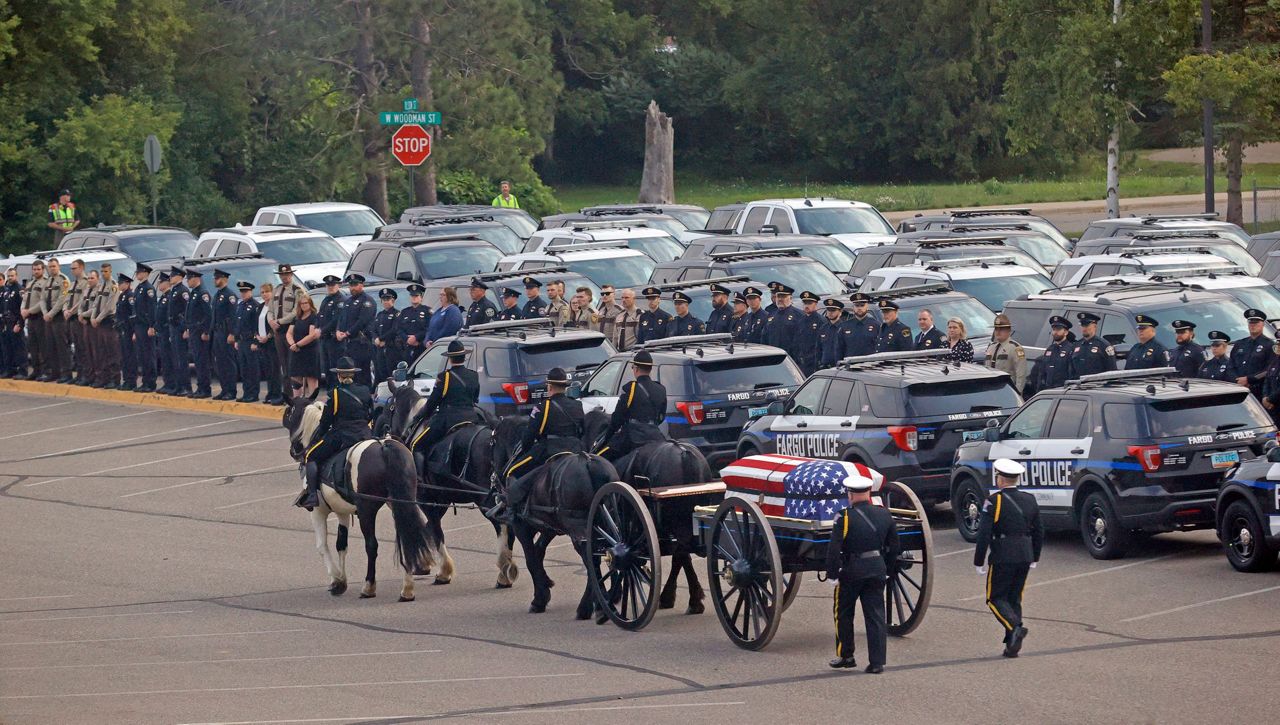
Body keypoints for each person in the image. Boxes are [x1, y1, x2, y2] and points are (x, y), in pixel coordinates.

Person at [825, 471, 900, 673]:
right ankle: (877, 663)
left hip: (852, 571)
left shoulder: (844, 517)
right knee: (875, 616)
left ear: (850, 495)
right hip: (877, 569)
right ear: (869, 493)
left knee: (843, 613)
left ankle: (846, 655)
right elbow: (894, 546)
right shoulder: (884, 514)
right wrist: (887, 570)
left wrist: (832, 574)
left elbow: (834, 548)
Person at [974, 458, 1043, 658]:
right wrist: (1035, 556)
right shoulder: (1029, 499)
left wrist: (979, 560)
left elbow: (984, 533)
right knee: (1014, 598)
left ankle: (1015, 628)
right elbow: (1039, 530)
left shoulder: (994, 501)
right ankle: (1012, 646)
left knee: (994, 598)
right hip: (1025, 553)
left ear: (1001, 480)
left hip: (1003, 554)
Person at [497, 366, 585, 521]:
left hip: (550, 450)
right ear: (565, 387)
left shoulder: (543, 407)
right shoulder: (577, 405)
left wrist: (526, 450)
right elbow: (582, 430)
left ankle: (510, 512)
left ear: (549, 386)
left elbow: (529, 437)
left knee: (512, 471)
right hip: (575, 450)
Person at [296, 357, 375, 511]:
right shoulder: (365, 391)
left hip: (342, 437)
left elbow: (325, 422)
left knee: (310, 456)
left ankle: (312, 495)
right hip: (365, 434)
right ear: (353, 374)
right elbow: (370, 414)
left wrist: (318, 436)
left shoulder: (335, 394)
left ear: (339, 375)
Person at [407, 340, 481, 462]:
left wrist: (418, 416)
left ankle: (419, 475)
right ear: (464, 357)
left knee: (416, 446)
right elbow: (475, 399)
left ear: (450, 359)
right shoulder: (474, 375)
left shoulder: (445, 377)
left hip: (448, 421)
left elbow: (432, 403)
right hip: (471, 418)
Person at [596, 350, 666, 462]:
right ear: (650, 369)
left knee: (599, 458)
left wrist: (607, 438)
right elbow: (661, 417)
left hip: (633, 437)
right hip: (655, 435)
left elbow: (617, 418)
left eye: (632, 367)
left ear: (636, 368)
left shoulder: (631, 389)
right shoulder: (661, 389)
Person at [272, 265, 308, 403]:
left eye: (287, 274)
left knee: (294, 365)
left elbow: (296, 311)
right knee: (284, 366)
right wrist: (271, 321)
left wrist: (280, 321)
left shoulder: (297, 290)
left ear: (291, 275)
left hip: (291, 330)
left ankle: (296, 396)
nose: (284, 276)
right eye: (282, 274)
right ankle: (287, 395)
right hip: (278, 331)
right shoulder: (277, 289)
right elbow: (270, 309)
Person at [336, 273, 376, 387]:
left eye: (355, 285)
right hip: (348, 344)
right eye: (351, 285)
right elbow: (341, 318)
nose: (352, 288)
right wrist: (338, 330)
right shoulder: (348, 302)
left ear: (361, 285)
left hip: (361, 343)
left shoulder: (367, 301)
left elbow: (362, 321)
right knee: (350, 373)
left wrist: (347, 333)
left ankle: (365, 395)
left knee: (361, 374)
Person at [184, 269, 213, 399]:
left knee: (202, 361)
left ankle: (205, 389)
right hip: (194, 331)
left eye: (189, 279)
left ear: (196, 278)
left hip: (200, 332)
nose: (188, 281)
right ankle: (200, 387)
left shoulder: (202, 293)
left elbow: (208, 315)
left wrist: (206, 331)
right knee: (197, 361)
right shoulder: (194, 293)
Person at [1231, 308, 1274, 398]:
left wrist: (1249, 379)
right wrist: (1237, 380)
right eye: (1251, 322)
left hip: (1258, 390)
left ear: (1263, 324)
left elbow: (1269, 370)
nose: (1253, 325)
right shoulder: (1240, 344)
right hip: (1237, 389)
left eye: (1256, 322)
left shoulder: (1269, 345)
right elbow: (1230, 365)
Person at [287, 292, 323, 398]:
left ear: (310, 304)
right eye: (301, 303)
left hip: (310, 351)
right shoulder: (296, 318)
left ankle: (312, 402)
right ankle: (297, 401)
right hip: (296, 350)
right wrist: (292, 344)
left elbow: (311, 335)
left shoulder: (314, 317)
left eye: (306, 303)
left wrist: (298, 345)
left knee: (311, 377)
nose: (303, 305)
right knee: (295, 376)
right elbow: (289, 333)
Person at [210, 269, 239, 400]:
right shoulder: (217, 295)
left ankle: (231, 391)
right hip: (217, 332)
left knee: (228, 362)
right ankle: (224, 389)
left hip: (226, 332)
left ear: (224, 279)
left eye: (217, 278)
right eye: (215, 278)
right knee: (220, 362)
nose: (215, 280)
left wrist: (232, 333)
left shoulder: (230, 295)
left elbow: (233, 316)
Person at [43, 257, 72, 383]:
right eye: (50, 267)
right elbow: (42, 299)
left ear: (58, 266)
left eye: (54, 266)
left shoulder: (63, 280)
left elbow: (62, 299)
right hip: (48, 318)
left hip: (59, 317)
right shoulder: (47, 281)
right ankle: (55, 373)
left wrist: (51, 313)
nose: (52, 269)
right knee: (50, 346)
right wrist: (45, 313)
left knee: (62, 347)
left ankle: (66, 373)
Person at [233, 281, 262, 402]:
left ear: (251, 291)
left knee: (252, 369)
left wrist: (255, 341)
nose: (243, 294)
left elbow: (257, 326)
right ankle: (246, 392)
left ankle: (253, 394)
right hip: (242, 341)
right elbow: (238, 324)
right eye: (241, 292)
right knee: (244, 369)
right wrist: (236, 339)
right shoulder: (240, 305)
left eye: (245, 291)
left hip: (250, 341)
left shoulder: (255, 306)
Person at [90, 271, 120, 388]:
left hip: (108, 322)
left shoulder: (113, 286)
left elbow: (109, 307)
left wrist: (97, 319)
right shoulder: (102, 286)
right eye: (102, 271)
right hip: (99, 323)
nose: (104, 273)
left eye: (106, 271)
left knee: (111, 352)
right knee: (101, 352)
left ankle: (114, 379)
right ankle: (104, 378)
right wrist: (93, 317)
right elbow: (95, 304)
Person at [20, 260, 48, 379]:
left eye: (38, 269)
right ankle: (36, 371)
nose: (36, 271)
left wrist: (29, 311)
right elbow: (25, 299)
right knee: (33, 346)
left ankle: (45, 371)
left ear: (43, 270)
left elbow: (43, 301)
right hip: (30, 319)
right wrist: (22, 309)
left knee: (43, 346)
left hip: (40, 317)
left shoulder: (46, 282)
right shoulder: (30, 283)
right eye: (34, 269)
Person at [984, 314, 1027, 393]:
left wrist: (1017, 393)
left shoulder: (1016, 348)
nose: (998, 332)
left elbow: (1021, 374)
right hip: (990, 390)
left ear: (1009, 331)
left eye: (1001, 329)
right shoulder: (991, 347)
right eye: (996, 329)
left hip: (1007, 391)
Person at [1067, 312, 1117, 379]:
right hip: (1078, 384)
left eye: (1086, 325)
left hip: (1096, 384)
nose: (1084, 328)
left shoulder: (1103, 345)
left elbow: (1112, 372)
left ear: (1094, 326)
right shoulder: (1076, 345)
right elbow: (1071, 372)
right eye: (1082, 325)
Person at [132, 263, 158, 392]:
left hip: (146, 326)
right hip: (139, 326)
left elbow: (151, 309)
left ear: (146, 273)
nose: (138, 274)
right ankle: (145, 382)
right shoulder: (138, 288)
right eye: (137, 272)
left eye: (140, 272)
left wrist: (152, 326)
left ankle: (150, 382)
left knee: (148, 355)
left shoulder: (149, 288)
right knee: (142, 355)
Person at [63, 259, 89, 384]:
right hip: (71, 319)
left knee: (82, 348)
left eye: (74, 268)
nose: (72, 271)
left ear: (81, 268)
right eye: (71, 268)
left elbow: (82, 300)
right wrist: (65, 310)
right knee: (76, 348)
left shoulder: (86, 282)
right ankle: (79, 374)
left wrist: (71, 311)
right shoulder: (72, 284)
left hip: (79, 319)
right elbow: (66, 299)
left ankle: (85, 375)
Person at [167, 267, 192, 396]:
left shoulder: (183, 291)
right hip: (173, 328)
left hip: (180, 328)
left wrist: (185, 328)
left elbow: (186, 312)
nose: (170, 278)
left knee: (182, 359)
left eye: (173, 275)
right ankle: (178, 385)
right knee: (176, 359)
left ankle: (186, 387)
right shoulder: (174, 290)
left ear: (180, 277)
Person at [258, 283, 284, 404]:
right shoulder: (260, 306)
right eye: (262, 292)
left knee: (275, 369)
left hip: (272, 341)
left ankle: (277, 394)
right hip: (262, 342)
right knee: (267, 369)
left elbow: (277, 324)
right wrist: (257, 336)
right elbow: (256, 323)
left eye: (267, 292)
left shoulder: (275, 306)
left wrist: (268, 336)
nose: (264, 294)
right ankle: (270, 393)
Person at [317, 275, 345, 387]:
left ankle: (337, 392)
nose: (330, 287)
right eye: (328, 285)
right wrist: (316, 327)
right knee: (327, 370)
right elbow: (320, 316)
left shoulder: (340, 300)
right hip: (325, 339)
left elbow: (336, 320)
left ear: (338, 285)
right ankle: (331, 393)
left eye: (333, 285)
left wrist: (321, 330)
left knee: (335, 369)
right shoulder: (326, 299)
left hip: (334, 340)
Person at [1034, 316, 1074, 392]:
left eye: (1058, 329)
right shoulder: (1050, 349)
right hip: (1048, 391)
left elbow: (1071, 374)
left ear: (1066, 332)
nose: (1055, 332)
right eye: (1053, 329)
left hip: (1062, 391)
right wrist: (1039, 390)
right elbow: (1042, 372)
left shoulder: (1070, 349)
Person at [764, 283, 803, 360]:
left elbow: (802, 341)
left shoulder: (799, 315)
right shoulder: (771, 315)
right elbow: (765, 337)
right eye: (778, 296)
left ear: (790, 298)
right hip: (773, 357)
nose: (780, 299)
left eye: (783, 297)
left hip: (791, 359)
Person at [395, 284, 431, 366]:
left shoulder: (427, 311)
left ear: (421, 297)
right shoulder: (405, 312)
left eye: (416, 296)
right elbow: (398, 328)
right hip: (407, 347)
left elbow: (429, 328)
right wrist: (406, 339)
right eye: (412, 296)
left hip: (421, 347)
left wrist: (416, 337)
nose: (414, 298)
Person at [75, 270, 101, 385]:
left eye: (92, 278)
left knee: (96, 352)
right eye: (89, 278)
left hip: (94, 324)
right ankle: (89, 376)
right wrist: (80, 314)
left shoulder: (99, 291)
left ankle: (98, 377)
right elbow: (80, 305)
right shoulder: (86, 290)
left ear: (98, 279)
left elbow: (96, 307)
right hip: (85, 324)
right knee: (87, 351)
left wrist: (83, 315)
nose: (89, 280)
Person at [1, 267, 27, 377]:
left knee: (19, 348)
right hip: (7, 322)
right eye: (9, 276)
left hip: (16, 322)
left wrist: (20, 324)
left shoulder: (19, 289)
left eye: (12, 275)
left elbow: (22, 308)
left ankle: (23, 371)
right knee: (8, 347)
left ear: (16, 276)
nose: (10, 277)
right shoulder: (7, 289)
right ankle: (10, 370)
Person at [837, 293, 878, 360]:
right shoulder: (845, 326)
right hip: (850, 364)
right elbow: (839, 349)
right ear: (853, 307)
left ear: (867, 306)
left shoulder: (876, 325)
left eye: (862, 305)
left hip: (869, 364)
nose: (859, 308)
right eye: (857, 305)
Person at [372, 288, 401, 383]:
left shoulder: (396, 314)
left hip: (391, 348)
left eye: (388, 299)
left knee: (391, 373)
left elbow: (394, 330)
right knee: (381, 373)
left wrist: (381, 339)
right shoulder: (380, 315)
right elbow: (374, 329)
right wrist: (376, 338)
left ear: (393, 300)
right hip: (380, 349)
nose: (385, 302)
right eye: (384, 300)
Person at [114, 274, 136, 390]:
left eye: (121, 283)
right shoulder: (122, 296)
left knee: (129, 356)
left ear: (127, 283)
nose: (119, 285)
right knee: (124, 356)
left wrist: (133, 330)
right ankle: (126, 380)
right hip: (122, 329)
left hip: (128, 330)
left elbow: (132, 314)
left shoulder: (130, 296)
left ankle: (131, 381)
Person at [153, 272, 172, 392]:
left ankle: (171, 383)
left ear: (167, 283)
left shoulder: (169, 297)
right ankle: (167, 383)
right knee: (164, 358)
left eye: (161, 282)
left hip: (167, 331)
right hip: (161, 331)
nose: (159, 284)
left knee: (168, 358)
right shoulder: (164, 297)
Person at [796, 291, 823, 376]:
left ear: (816, 304)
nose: (806, 306)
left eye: (809, 303)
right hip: (802, 361)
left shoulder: (821, 321)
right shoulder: (801, 320)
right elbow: (797, 340)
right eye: (805, 303)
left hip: (814, 362)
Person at [818, 298, 846, 369]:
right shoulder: (823, 328)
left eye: (833, 310)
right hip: (824, 367)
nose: (830, 313)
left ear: (840, 312)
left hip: (839, 367)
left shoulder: (845, 328)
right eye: (828, 310)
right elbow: (818, 349)